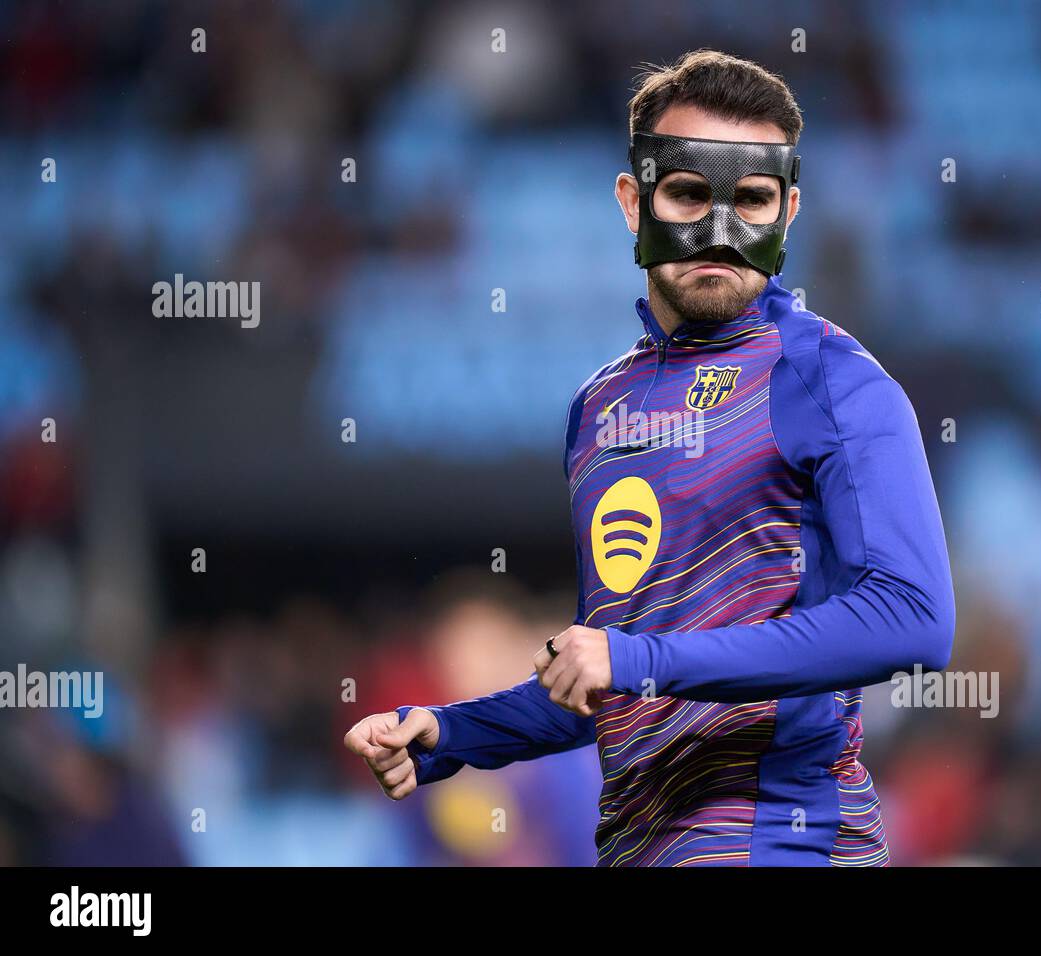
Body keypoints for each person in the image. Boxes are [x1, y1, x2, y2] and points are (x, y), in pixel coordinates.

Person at [344, 49, 954, 867]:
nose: (720, 230)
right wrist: (453, 734)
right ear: (634, 202)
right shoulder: (601, 409)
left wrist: (637, 658)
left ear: (790, 211)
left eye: (754, 200)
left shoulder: (835, 382)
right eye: (691, 193)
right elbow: (615, 672)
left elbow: (915, 618)